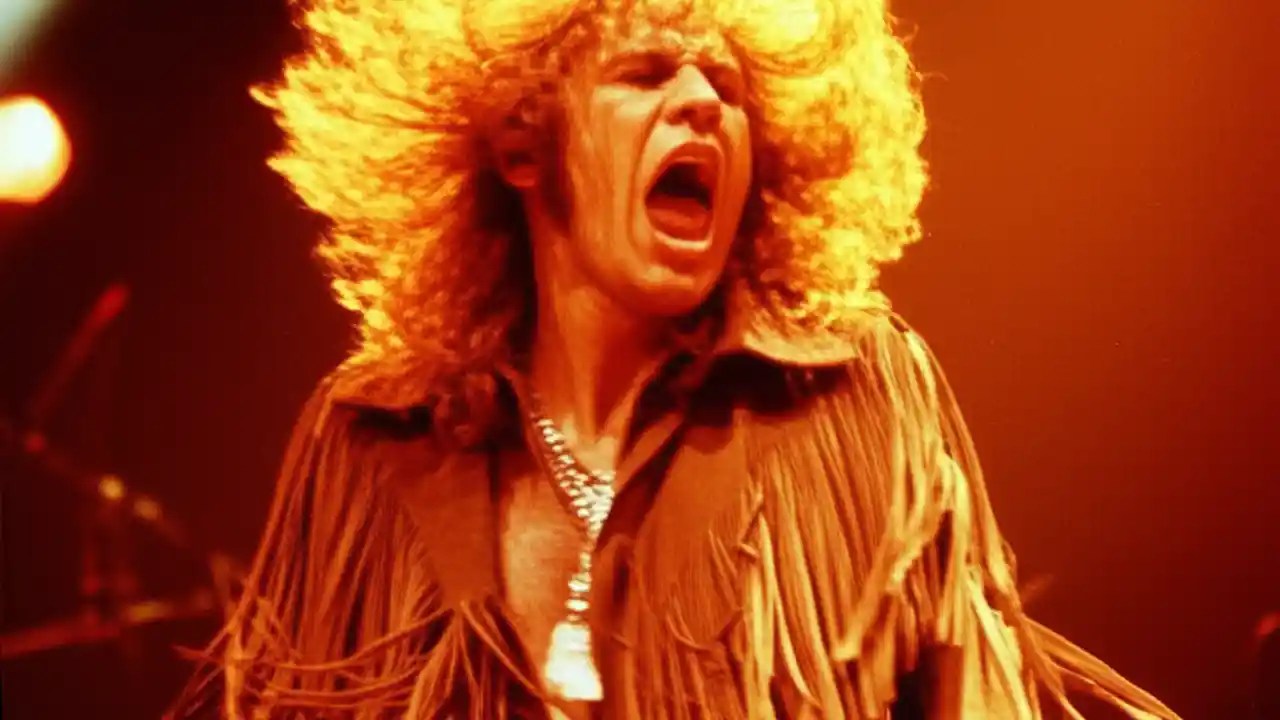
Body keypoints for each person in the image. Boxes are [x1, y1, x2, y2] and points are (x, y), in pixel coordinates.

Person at [173, 0, 1181, 717]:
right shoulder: (372, 438)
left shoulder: (851, 392)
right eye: (647, 72)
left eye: (731, 89)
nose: (702, 100)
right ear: (522, 145)